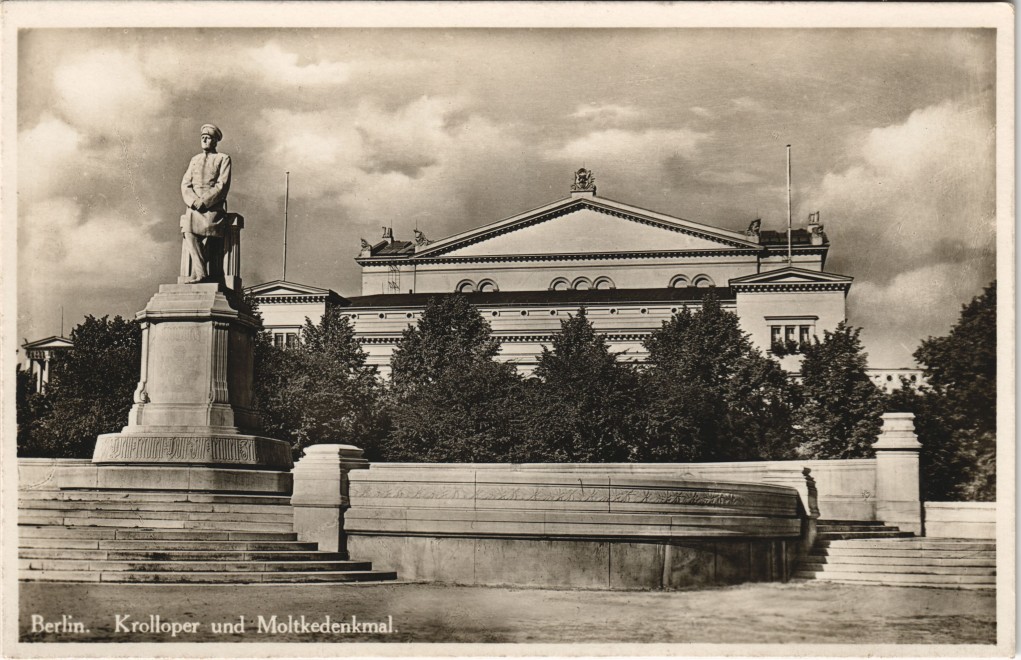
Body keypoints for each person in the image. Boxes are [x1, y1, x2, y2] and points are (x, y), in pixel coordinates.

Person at [180, 124, 232, 283]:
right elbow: (185, 183)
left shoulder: (223, 158)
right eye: (202, 137)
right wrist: (193, 201)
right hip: (194, 206)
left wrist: (205, 201)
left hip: (212, 207)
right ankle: (201, 273)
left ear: (215, 141)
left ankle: (198, 274)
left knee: (209, 236)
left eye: (208, 137)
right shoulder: (194, 159)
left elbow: (222, 185)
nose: (204, 139)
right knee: (188, 232)